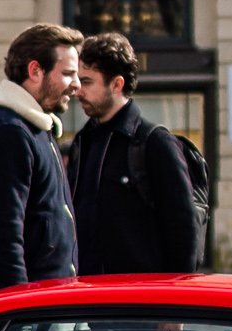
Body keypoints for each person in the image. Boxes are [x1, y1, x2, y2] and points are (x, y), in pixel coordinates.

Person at [69, 31, 202, 277]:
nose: (78, 91)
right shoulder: (83, 142)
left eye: (87, 82)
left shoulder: (155, 142)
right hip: (87, 292)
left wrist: (173, 296)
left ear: (117, 84)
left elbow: (184, 232)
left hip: (141, 295)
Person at [0, 23, 82, 297]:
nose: (77, 84)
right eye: (68, 74)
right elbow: (2, 240)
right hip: (34, 307)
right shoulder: (8, 133)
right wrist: (18, 315)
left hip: (54, 302)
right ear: (35, 71)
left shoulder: (34, 129)